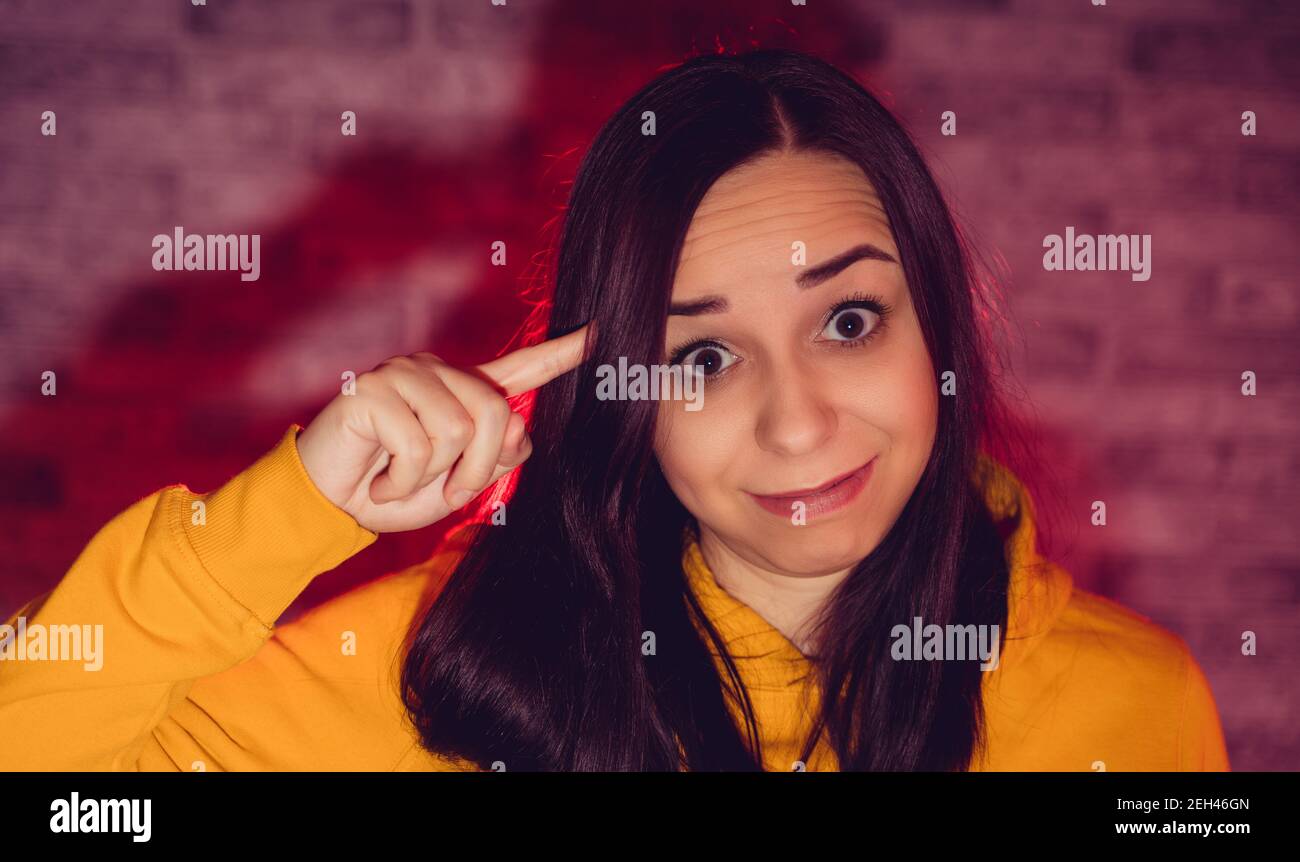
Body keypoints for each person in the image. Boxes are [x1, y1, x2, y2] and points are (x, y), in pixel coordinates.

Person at [0, 48, 1228, 772]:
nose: (797, 426)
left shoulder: (1134, 703)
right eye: (700, 358)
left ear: (940, 331)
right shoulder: (441, 677)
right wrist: (298, 508)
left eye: (848, 321)